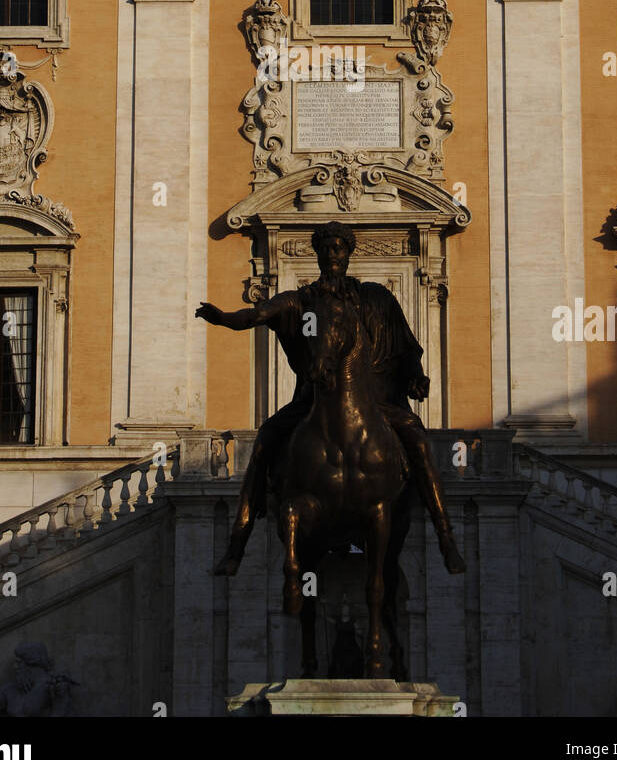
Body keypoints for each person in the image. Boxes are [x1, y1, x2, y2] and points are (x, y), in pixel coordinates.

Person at [196, 220, 466, 577]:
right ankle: (237, 543)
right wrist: (224, 318)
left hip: (375, 402)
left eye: (339, 248)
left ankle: (445, 536)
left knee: (417, 440)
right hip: (312, 401)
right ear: (318, 254)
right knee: (263, 444)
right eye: (326, 248)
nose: (332, 254)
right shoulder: (302, 302)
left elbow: (406, 345)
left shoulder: (376, 298)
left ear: (348, 254)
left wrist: (415, 375)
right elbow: (258, 314)